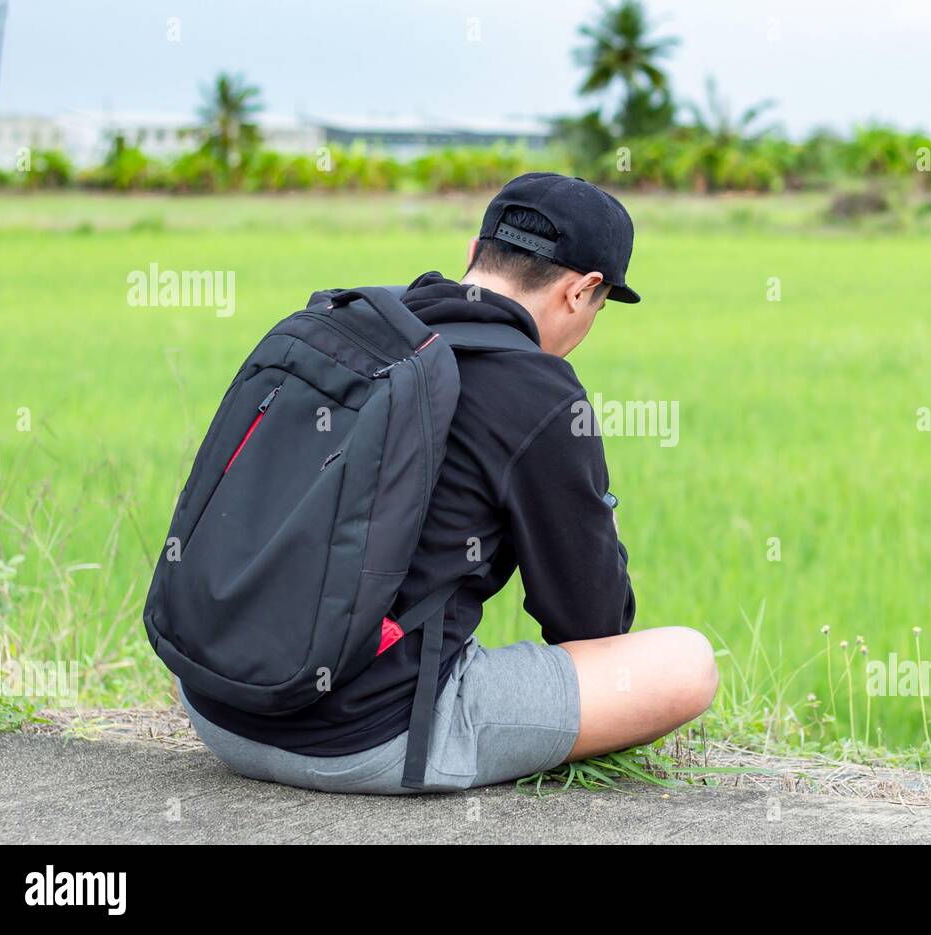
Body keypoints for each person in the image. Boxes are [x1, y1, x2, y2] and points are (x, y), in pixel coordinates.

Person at [178, 173, 719, 793]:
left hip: (216, 706)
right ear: (583, 291)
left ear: (472, 253)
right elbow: (591, 626)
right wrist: (599, 513)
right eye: (599, 307)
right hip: (362, 740)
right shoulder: (539, 391)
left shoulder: (351, 320)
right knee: (688, 663)